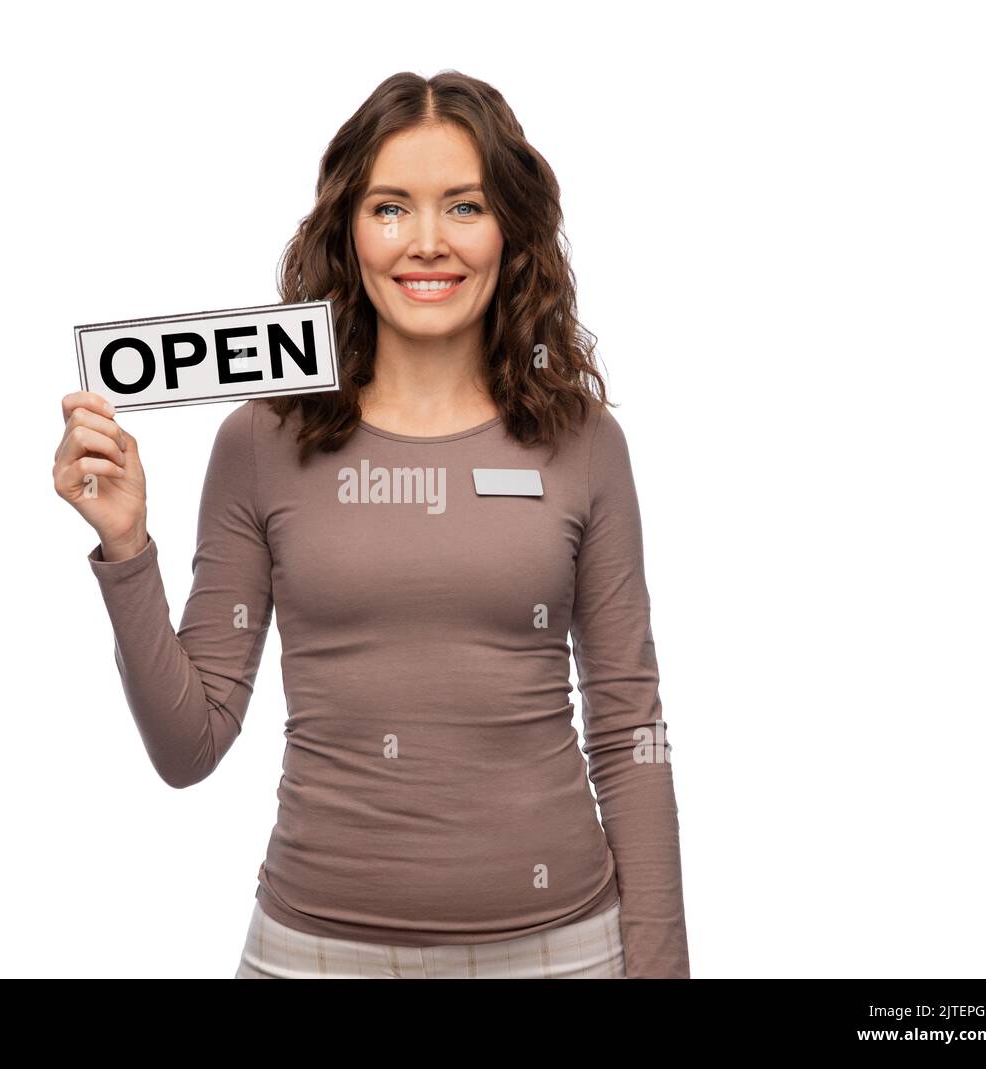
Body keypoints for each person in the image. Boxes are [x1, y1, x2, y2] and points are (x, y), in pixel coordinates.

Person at [53, 70, 689, 979]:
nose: (427, 243)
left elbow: (632, 727)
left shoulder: (584, 443)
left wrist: (662, 969)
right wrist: (126, 548)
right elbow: (188, 743)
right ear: (349, 234)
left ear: (511, 230)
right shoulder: (260, 441)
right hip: (311, 954)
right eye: (391, 208)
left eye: (463, 206)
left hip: (562, 953)